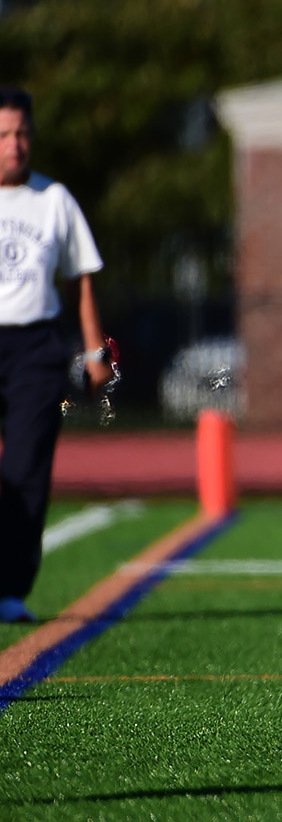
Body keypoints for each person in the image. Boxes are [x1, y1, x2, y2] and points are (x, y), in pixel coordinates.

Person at [0, 87, 107, 624]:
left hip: (36, 349)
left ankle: (9, 588)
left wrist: (95, 352)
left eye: (22, 133)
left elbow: (80, 280)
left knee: (25, 470)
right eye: (3, 135)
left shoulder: (54, 199)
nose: (14, 144)